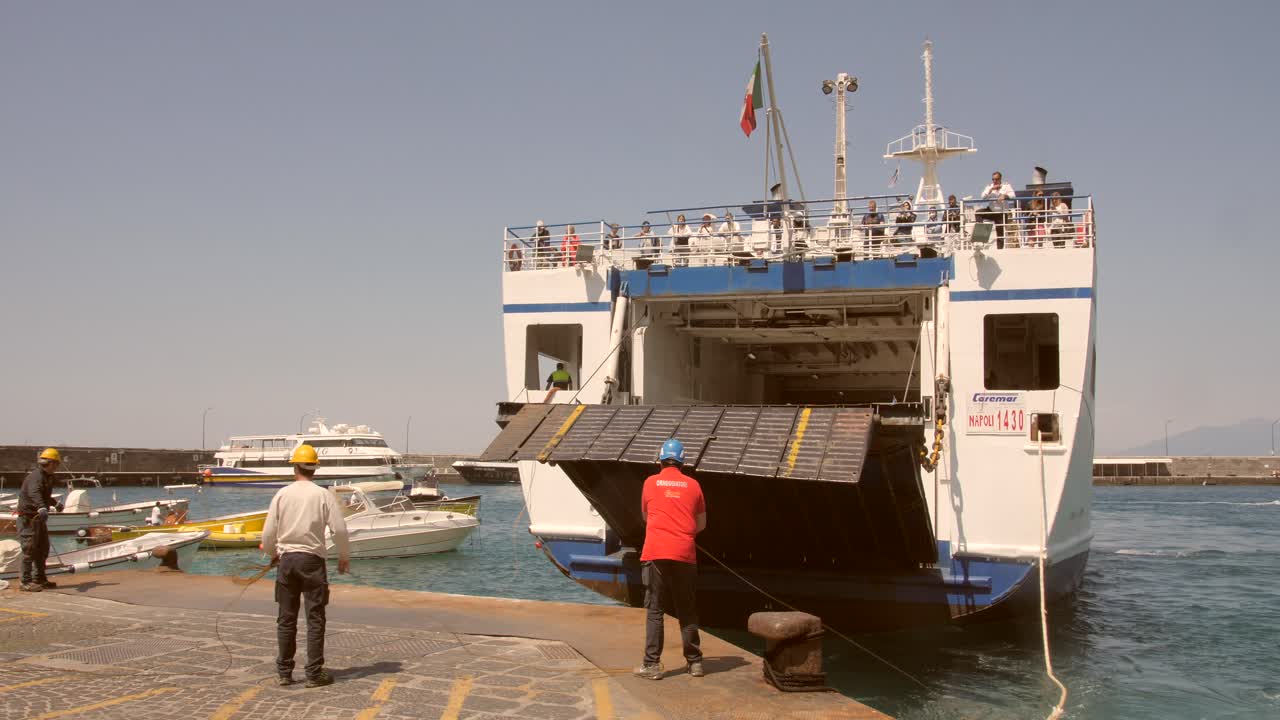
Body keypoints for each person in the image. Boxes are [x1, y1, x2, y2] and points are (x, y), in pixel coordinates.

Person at [261, 444, 350, 688]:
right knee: (315, 618)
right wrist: (344, 556)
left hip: (287, 560)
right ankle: (313, 673)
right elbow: (339, 529)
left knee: (286, 618)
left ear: (295, 466)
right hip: (312, 561)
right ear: (315, 469)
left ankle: (284, 672)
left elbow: (268, 533)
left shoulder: (282, 494)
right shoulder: (323, 495)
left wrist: (272, 553)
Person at [634, 438, 706, 681]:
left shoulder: (650, 483)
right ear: (683, 460)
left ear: (661, 459)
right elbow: (702, 524)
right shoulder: (694, 485)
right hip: (684, 553)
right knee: (687, 609)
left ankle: (652, 665)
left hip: (656, 552)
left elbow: (646, 516)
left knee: (656, 609)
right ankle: (695, 663)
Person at [16, 448, 63, 592]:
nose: (57, 467)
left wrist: (55, 503)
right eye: (56, 464)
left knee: (42, 549)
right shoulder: (36, 477)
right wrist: (41, 507)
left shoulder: (47, 477)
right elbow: (34, 493)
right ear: (50, 463)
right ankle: (25, 582)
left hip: (38, 520)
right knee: (29, 550)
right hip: (28, 519)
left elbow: (44, 495)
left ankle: (40, 578)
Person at [978, 171, 1016, 248]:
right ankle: (981, 236)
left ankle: (1000, 250)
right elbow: (982, 197)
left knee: (1000, 232)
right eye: (993, 179)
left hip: (1001, 213)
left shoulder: (1006, 186)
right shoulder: (990, 186)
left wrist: (1005, 196)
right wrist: (991, 190)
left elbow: (1013, 195)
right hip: (991, 211)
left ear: (1000, 179)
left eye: (996, 179)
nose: (995, 181)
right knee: (978, 213)